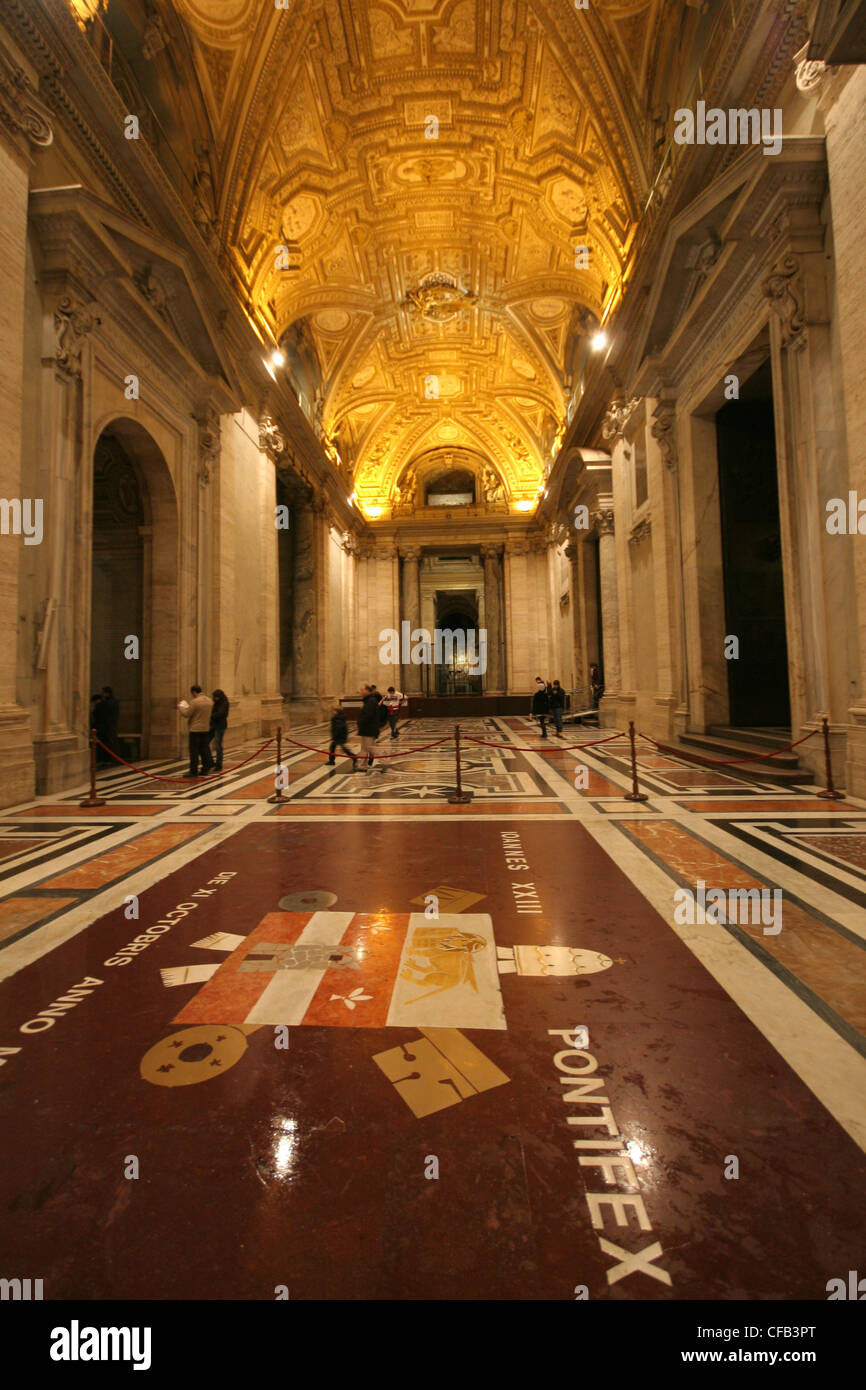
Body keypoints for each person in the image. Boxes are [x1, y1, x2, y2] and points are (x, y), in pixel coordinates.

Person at [179, 684, 213, 776]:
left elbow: (187, 714)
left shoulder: (195, 701)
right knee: (204, 749)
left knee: (194, 751)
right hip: (205, 729)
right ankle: (206, 768)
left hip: (195, 729)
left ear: (194, 692)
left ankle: (193, 771)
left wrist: (181, 707)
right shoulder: (210, 701)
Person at [358, 683, 385, 773]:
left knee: (370, 748)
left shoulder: (370, 701)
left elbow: (368, 715)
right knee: (366, 747)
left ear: (367, 690)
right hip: (368, 728)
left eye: (362, 690)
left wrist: (360, 723)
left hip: (368, 729)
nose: (361, 692)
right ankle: (362, 765)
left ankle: (385, 760)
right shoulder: (369, 700)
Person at [92, 686, 119, 765]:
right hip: (107, 726)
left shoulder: (109, 702)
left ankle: (109, 759)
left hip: (107, 727)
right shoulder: (111, 702)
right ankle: (108, 759)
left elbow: (102, 714)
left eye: (103, 693)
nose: (102, 694)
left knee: (109, 743)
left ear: (107, 693)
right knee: (107, 743)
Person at [328, 705, 358, 770]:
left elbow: (338, 728)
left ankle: (354, 757)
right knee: (332, 747)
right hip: (339, 736)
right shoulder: (339, 717)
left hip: (339, 736)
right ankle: (331, 761)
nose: (333, 712)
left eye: (334, 711)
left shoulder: (337, 718)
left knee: (344, 749)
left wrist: (335, 736)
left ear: (337, 711)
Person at [209, 688, 230, 772]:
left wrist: (211, 715)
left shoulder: (224, 703)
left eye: (216, 697)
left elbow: (221, 714)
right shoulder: (216, 703)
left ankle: (218, 764)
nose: (215, 699)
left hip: (220, 726)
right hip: (213, 725)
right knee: (206, 743)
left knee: (218, 745)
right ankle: (210, 762)